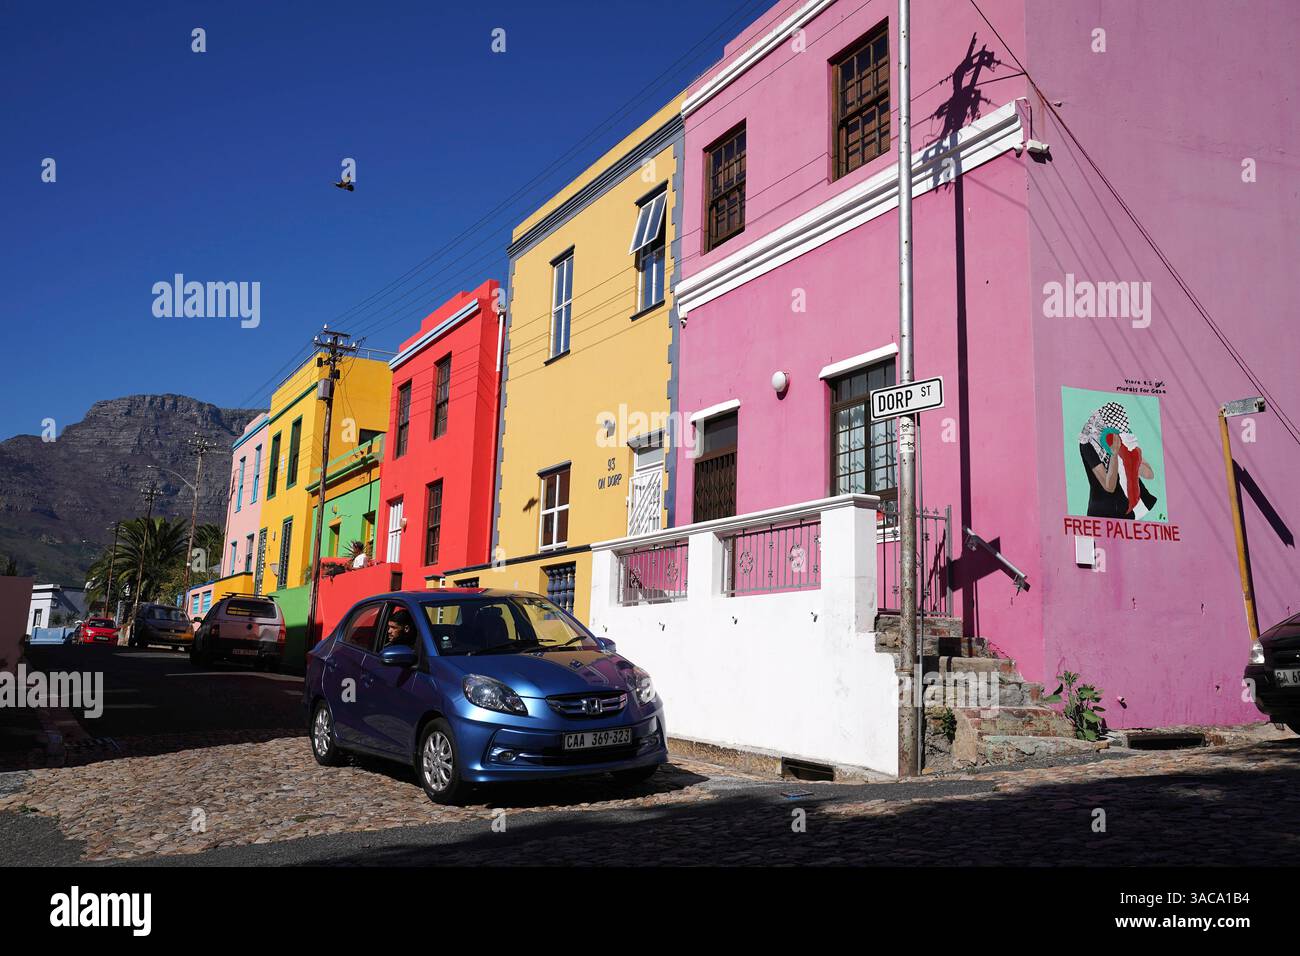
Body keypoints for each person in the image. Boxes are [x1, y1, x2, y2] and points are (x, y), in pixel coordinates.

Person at [1077, 401, 1156, 519]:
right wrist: (1114, 454)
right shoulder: (1088, 444)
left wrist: (1131, 452)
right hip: (1104, 513)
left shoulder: (1122, 439)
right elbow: (1110, 486)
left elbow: (1149, 474)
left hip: (1136, 507)